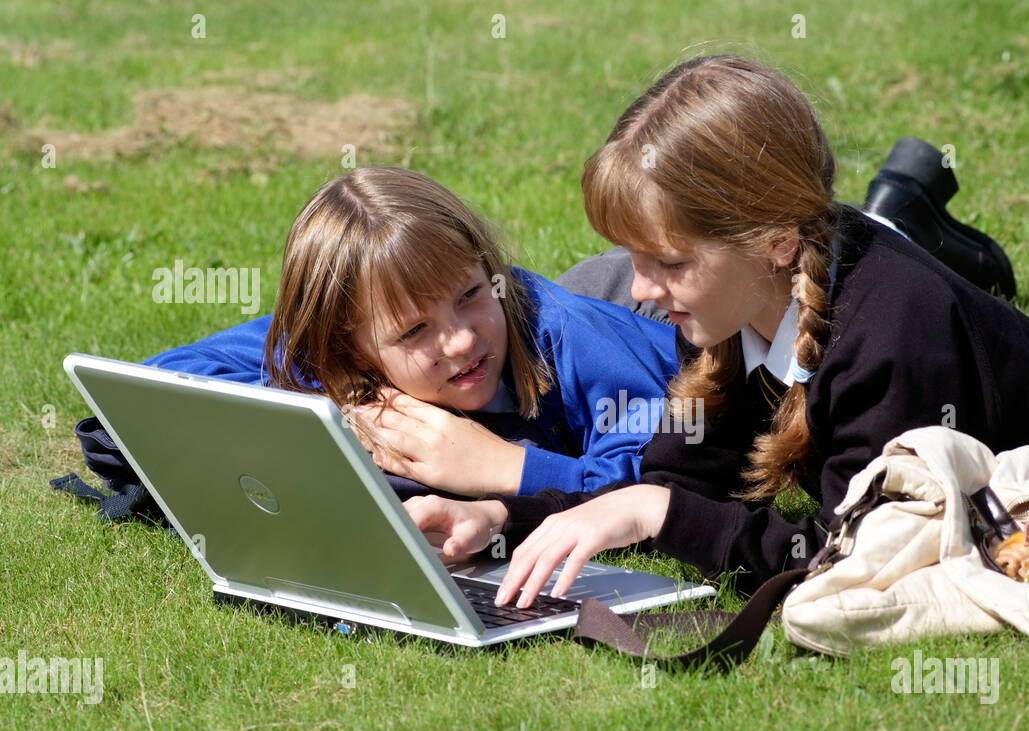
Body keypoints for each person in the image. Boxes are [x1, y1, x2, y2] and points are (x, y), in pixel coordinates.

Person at [399, 54, 1029, 609]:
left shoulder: (889, 332)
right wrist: (506, 517)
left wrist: (660, 515)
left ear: (774, 239)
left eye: (667, 261)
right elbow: (691, 473)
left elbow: (845, 553)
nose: (641, 289)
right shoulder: (727, 306)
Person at [140, 167, 681, 500]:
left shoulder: (566, 337)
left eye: (470, 294)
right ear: (347, 348)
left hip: (671, 344)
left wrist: (502, 466)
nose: (462, 341)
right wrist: (353, 408)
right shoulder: (343, 351)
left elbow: (658, 482)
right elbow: (161, 384)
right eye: (415, 330)